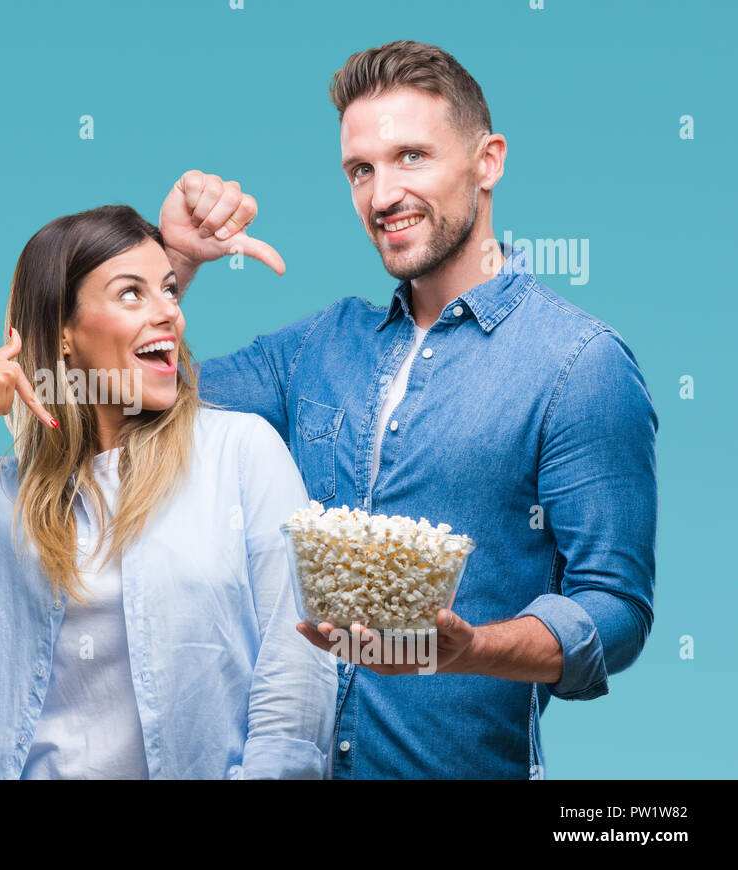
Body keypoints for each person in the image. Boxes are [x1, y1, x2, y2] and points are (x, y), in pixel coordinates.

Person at [158, 41, 658, 779]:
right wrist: (173, 261)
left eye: (412, 157)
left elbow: (615, 610)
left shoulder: (579, 364)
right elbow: (136, 397)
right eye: (361, 170)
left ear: (487, 161)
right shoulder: (317, 346)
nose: (382, 194)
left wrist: (472, 648)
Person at [0, 204, 337, 779]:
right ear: (63, 334)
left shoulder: (241, 452)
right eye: (131, 294)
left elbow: (298, 669)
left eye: (168, 291)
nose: (168, 313)